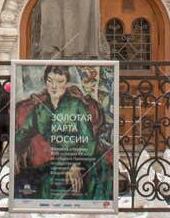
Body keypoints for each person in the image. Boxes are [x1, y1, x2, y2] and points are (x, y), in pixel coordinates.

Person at [14, 64, 112, 202]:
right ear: (45, 81)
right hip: (58, 162)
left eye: (60, 81)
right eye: (50, 81)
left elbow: (88, 142)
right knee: (26, 182)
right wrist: (14, 150)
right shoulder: (40, 110)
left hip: (85, 160)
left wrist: (75, 164)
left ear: (66, 83)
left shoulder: (77, 105)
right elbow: (23, 134)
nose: (54, 86)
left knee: (75, 185)